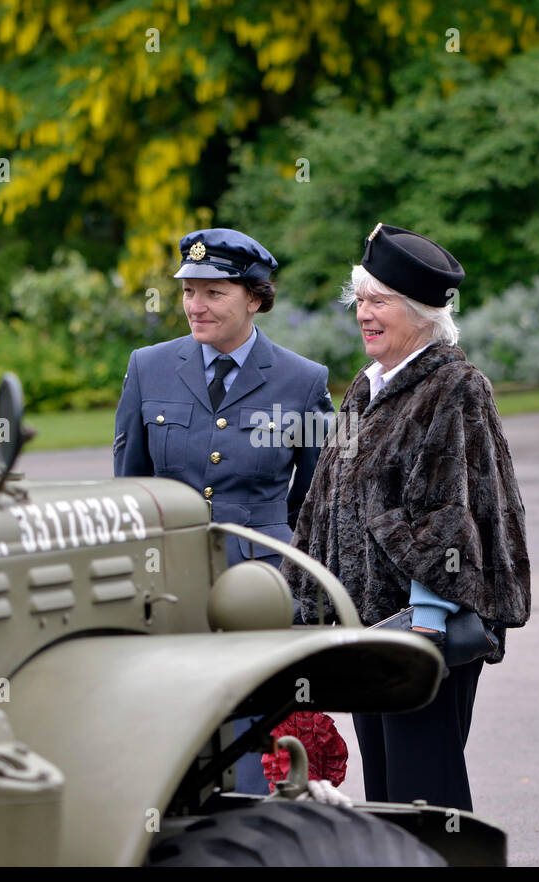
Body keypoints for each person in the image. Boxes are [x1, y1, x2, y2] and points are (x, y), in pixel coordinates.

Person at [286, 223, 531, 812]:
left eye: (379, 301)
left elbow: (455, 511)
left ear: (421, 314)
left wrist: (424, 622)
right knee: (388, 798)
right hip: (371, 631)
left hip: (425, 633)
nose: (363, 314)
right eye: (360, 300)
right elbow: (326, 500)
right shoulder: (367, 387)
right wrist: (306, 605)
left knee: (428, 795)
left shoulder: (455, 387)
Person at [114, 227, 334, 794]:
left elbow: (312, 505)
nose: (194, 305)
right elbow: (131, 492)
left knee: (252, 732)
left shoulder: (303, 381)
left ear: (255, 297)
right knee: (171, 725)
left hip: (261, 588)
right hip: (169, 584)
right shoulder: (147, 367)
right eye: (189, 291)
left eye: (214, 292)